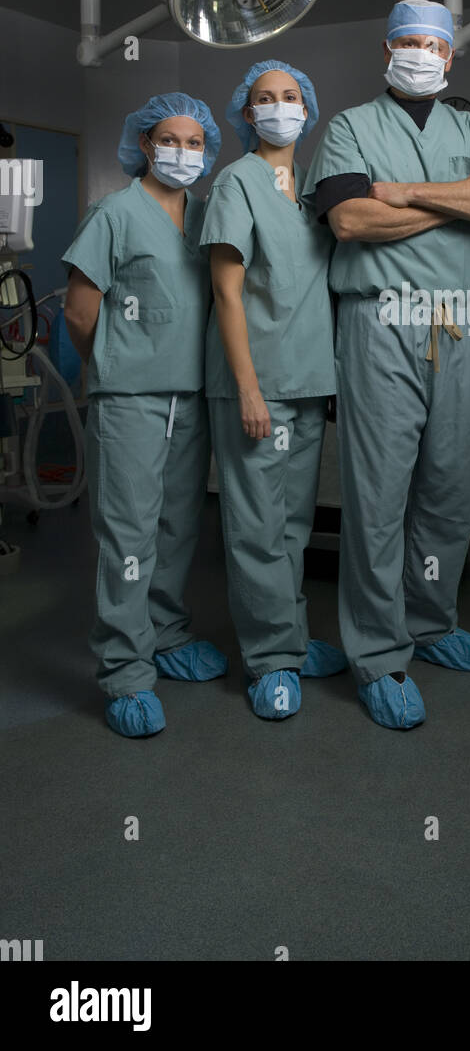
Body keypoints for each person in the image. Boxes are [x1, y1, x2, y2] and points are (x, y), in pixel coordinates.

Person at [302, 0, 470, 729]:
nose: (421, 53)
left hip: (458, 324)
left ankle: (431, 622)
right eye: (408, 42)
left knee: (451, 485)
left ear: (451, 57)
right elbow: (350, 220)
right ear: (387, 48)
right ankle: (377, 653)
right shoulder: (351, 128)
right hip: (378, 321)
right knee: (380, 493)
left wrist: (405, 192)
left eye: (435, 44)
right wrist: (462, 201)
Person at [62, 93, 227, 738]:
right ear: (145, 144)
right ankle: (126, 670)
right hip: (129, 398)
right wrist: (116, 366)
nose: (182, 153)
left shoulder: (207, 214)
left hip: (190, 394)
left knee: (179, 524)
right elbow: (81, 313)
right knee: (129, 535)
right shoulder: (115, 213)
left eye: (194, 143)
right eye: (169, 140)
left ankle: (167, 633)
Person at [201, 60, 346, 722]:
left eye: (291, 96)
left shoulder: (315, 190)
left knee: (292, 523)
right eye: (266, 98)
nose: (280, 107)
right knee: (257, 528)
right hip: (255, 384)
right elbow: (227, 292)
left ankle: (292, 636)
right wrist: (249, 388)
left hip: (308, 379)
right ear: (247, 113)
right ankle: (270, 661)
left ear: (308, 109)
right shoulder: (238, 182)